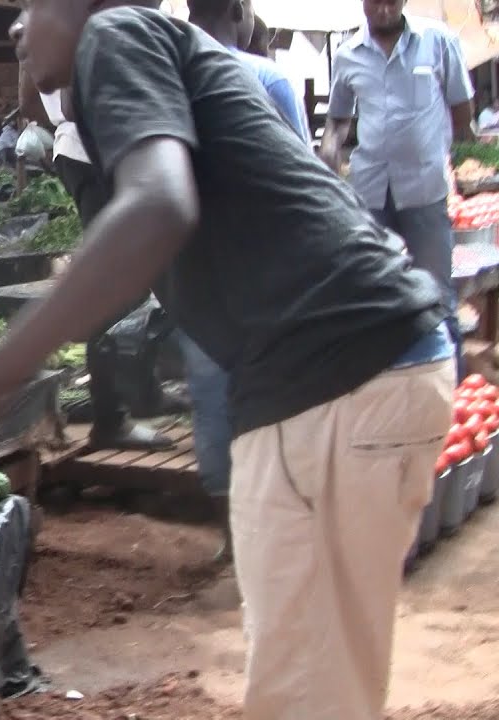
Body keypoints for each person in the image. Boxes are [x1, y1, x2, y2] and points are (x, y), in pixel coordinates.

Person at [0, 2, 454, 718]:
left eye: (31, 4)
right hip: (345, 375)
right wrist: (66, 132)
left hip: (336, 377)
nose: (15, 27)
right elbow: (130, 255)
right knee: (311, 685)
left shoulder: (118, 32)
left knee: (308, 697)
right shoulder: (132, 67)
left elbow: (158, 210)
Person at [184, 0, 312, 562]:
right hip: (268, 270)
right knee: (281, 396)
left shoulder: (166, 76)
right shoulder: (268, 78)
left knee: (213, 399)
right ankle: (283, 532)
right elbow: (303, 176)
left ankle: (234, 543)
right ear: (240, 11)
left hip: (199, 272)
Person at [19, 73, 174, 450]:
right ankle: (110, 419)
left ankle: (145, 394)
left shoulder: (43, 37)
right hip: (98, 154)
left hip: (81, 151)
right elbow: (73, 101)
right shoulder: (83, 33)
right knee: (116, 285)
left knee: (143, 274)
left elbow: (28, 99)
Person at [321, 0, 474, 380]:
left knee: (437, 294)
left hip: (424, 192)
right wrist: (328, 154)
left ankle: (451, 386)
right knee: (374, 293)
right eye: (376, 0)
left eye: (392, 0)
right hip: (371, 195)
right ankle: (389, 385)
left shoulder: (438, 41)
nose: (384, 8)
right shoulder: (348, 54)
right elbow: (338, 120)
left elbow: (462, 111)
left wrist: (439, 153)